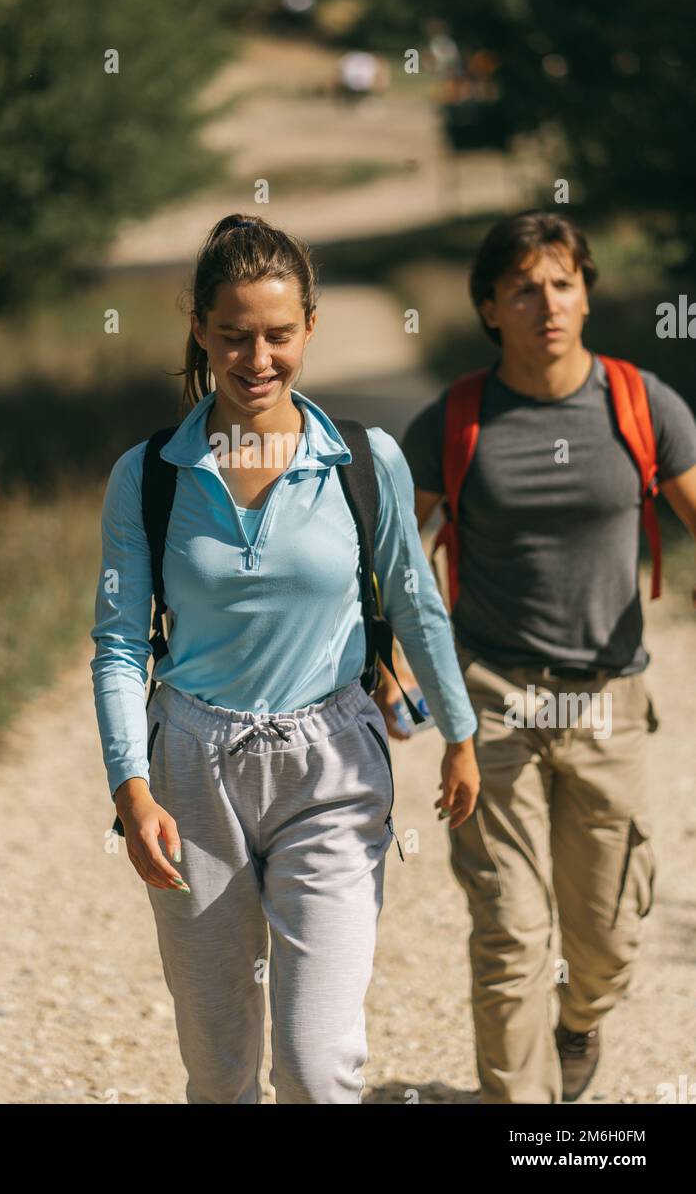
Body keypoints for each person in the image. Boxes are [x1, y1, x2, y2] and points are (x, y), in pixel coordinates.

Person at [89, 212, 479, 1105]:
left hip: (333, 764)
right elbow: (117, 641)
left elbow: (415, 600)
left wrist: (458, 730)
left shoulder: (363, 462)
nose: (257, 359)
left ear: (309, 327)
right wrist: (130, 784)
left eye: (278, 335)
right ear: (199, 329)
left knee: (315, 1064)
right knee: (220, 1069)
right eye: (233, 337)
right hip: (190, 771)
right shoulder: (148, 476)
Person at [376, 209, 696, 1104]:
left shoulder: (641, 404)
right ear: (489, 308)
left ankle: (581, 1020)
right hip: (493, 700)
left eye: (563, 283)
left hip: (606, 703)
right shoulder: (458, 419)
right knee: (512, 933)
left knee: (605, 940)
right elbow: (394, 558)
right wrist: (391, 662)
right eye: (523, 289)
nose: (547, 303)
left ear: (586, 293)